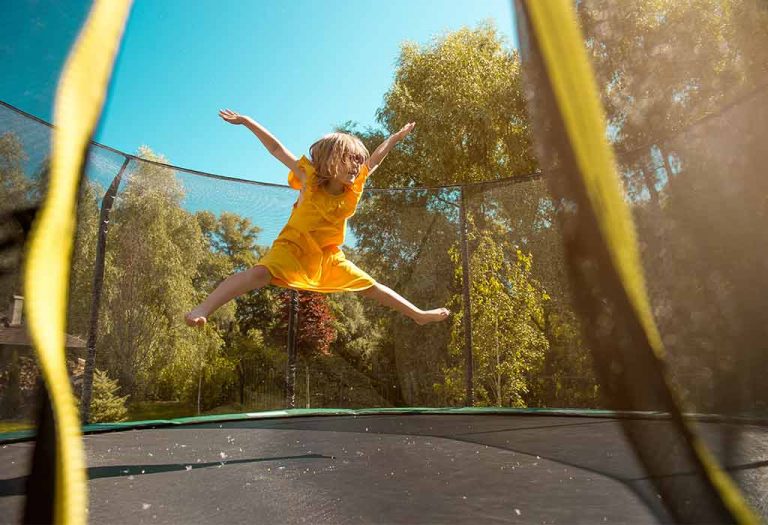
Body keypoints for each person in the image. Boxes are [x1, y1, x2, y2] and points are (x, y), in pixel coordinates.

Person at [185, 109, 450, 328]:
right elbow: (277, 149)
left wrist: (394, 138)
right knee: (258, 275)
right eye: (350, 160)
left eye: (359, 161)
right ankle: (204, 308)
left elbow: (376, 160)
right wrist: (247, 122)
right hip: (293, 248)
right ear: (329, 162)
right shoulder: (308, 179)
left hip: (327, 255)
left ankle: (418, 315)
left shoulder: (354, 187)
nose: (357, 166)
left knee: (370, 286)